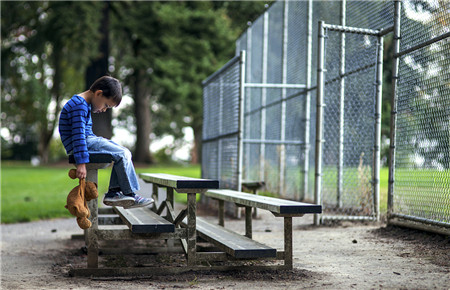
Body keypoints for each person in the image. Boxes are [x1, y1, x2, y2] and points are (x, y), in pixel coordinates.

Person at [58, 76, 153, 209]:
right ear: (98, 93)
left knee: (123, 153)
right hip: (83, 144)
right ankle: (128, 193)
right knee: (123, 153)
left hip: (88, 141)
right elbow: (78, 135)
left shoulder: (82, 104)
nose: (104, 110)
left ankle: (114, 192)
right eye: (106, 105)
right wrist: (81, 163)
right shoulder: (79, 105)